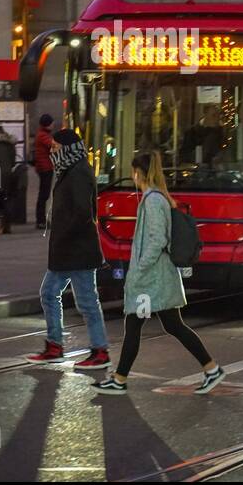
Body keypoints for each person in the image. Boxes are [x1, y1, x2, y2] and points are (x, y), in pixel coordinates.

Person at [93, 151, 225, 395]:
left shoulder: (153, 200)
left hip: (151, 278)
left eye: (133, 172)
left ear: (138, 173)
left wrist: (140, 268)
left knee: (134, 324)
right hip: (157, 277)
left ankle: (120, 380)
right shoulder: (156, 198)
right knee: (173, 325)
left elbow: (157, 239)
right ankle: (211, 368)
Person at [26, 129, 111, 369]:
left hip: (78, 250)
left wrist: (63, 234)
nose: (52, 152)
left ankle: (100, 351)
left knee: (86, 301)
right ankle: (55, 345)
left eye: (55, 148)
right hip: (66, 251)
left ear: (67, 149)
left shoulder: (79, 172)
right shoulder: (68, 170)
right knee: (49, 293)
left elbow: (82, 212)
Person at [33, 114, 54, 230]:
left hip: (44, 167)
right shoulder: (43, 135)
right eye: (52, 123)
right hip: (45, 168)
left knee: (43, 195)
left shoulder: (42, 134)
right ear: (48, 124)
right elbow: (54, 146)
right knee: (43, 195)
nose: (53, 124)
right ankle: (40, 221)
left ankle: (41, 220)